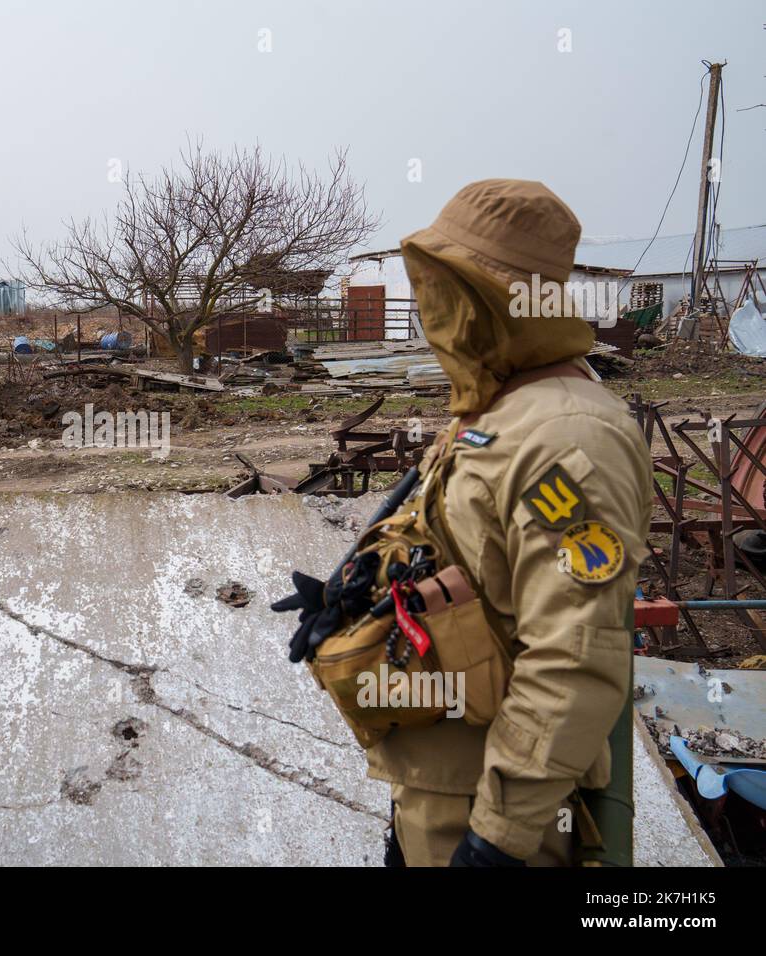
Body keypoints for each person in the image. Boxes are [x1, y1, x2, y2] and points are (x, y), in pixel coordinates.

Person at [275, 179, 651, 866]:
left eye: (446, 288)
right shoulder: (500, 409)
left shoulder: (568, 439)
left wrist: (497, 841)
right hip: (434, 788)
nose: (428, 310)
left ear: (497, 299)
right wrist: (359, 589)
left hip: (500, 815)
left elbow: (576, 660)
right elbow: (463, 549)